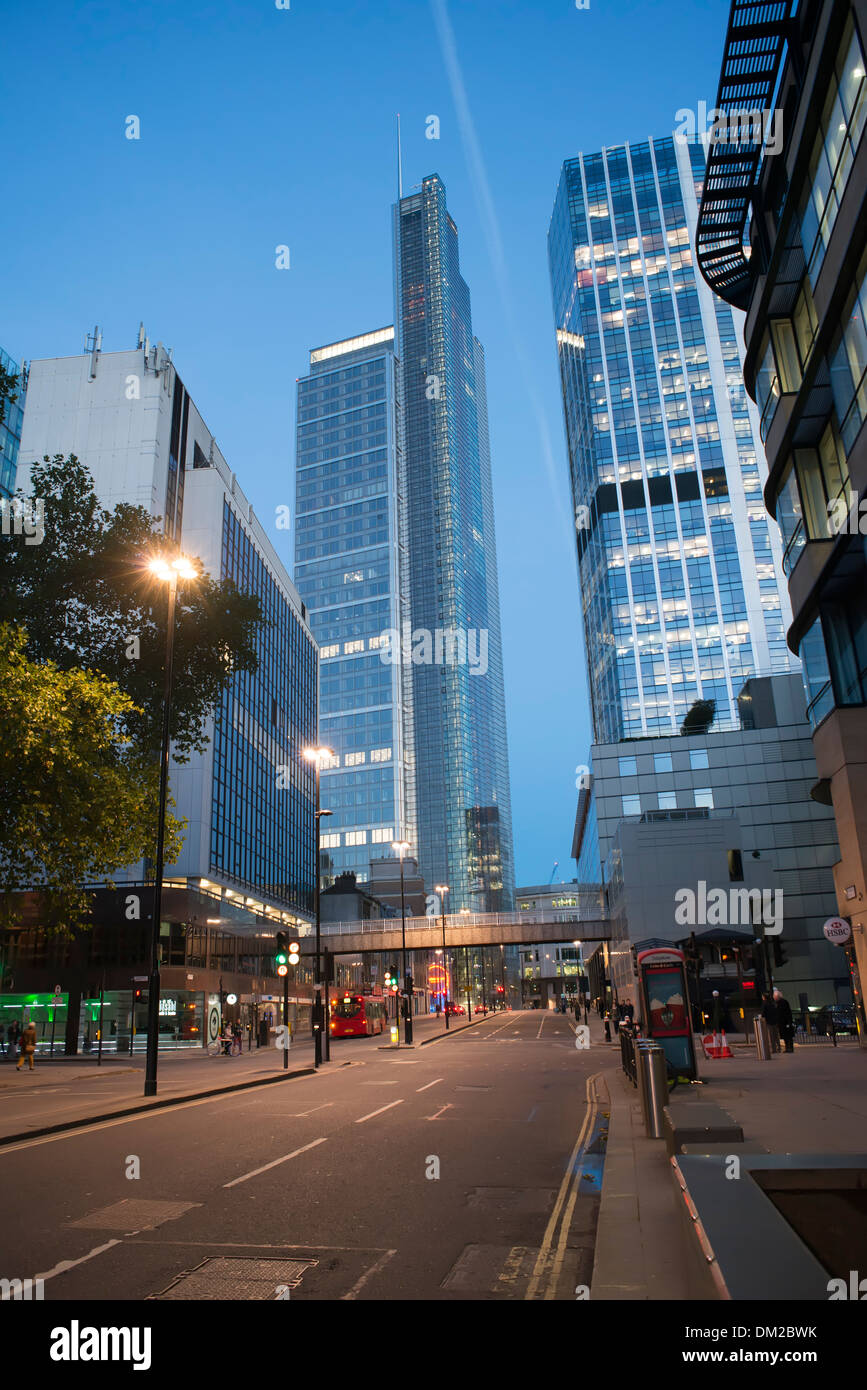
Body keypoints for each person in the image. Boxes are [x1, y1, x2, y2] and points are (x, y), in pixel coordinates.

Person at [774, 989, 795, 1053]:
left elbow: (786, 1013)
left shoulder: (782, 1002)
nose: (774, 998)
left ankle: (790, 1048)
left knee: (788, 1036)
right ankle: (788, 1048)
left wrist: (788, 1022)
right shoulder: (780, 1002)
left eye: (774, 996)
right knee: (786, 1036)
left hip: (785, 1022)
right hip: (783, 1022)